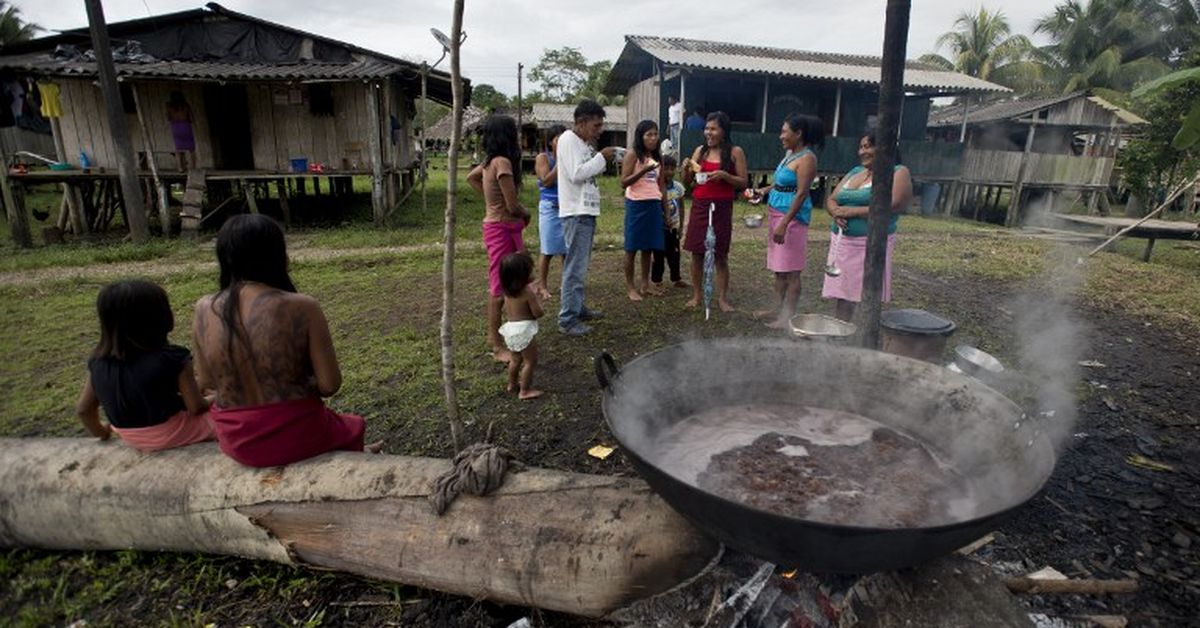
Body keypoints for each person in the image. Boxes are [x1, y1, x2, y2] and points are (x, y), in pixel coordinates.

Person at [192, 214, 379, 467]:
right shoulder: (303, 306)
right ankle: (361, 456)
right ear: (278, 254)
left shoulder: (204, 308)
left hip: (236, 440)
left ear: (224, 257)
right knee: (346, 426)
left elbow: (205, 383)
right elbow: (329, 384)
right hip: (297, 435)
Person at [75, 280, 214, 452]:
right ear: (161, 317)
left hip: (131, 438)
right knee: (228, 412)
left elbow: (83, 410)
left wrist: (102, 432)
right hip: (171, 432)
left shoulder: (98, 362)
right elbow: (196, 407)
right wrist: (217, 397)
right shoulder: (173, 357)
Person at [822, 131, 914, 322]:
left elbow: (895, 204)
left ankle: (865, 337)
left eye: (868, 146)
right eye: (861, 147)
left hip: (870, 244)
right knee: (843, 294)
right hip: (843, 242)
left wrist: (852, 212)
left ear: (884, 148)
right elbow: (832, 199)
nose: (862, 151)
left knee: (867, 294)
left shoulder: (898, 171)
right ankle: (841, 333)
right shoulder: (855, 172)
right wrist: (835, 212)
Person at [748, 114, 824, 329]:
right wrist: (762, 191)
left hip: (792, 220)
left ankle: (787, 317)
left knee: (792, 271)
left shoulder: (807, 158)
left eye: (784, 131)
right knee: (780, 269)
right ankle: (776, 308)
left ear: (798, 133)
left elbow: (801, 194)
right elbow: (782, 184)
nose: (781, 136)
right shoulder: (790, 154)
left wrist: (784, 223)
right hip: (777, 213)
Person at [468, 115, 531, 363]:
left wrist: (489, 201)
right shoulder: (502, 162)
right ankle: (495, 343)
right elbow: (513, 206)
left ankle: (515, 327)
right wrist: (526, 214)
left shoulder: (488, 162)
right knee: (498, 287)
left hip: (501, 226)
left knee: (513, 279)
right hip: (502, 228)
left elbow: (471, 178)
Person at [556, 100, 618, 336]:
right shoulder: (568, 140)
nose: (599, 131)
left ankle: (576, 307)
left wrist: (599, 158)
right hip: (575, 212)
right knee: (575, 266)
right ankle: (567, 319)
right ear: (581, 123)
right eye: (596, 126)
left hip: (584, 210)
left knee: (579, 265)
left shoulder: (581, 142)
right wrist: (601, 157)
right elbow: (577, 173)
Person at [682, 111, 748, 313]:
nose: (708, 132)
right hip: (700, 204)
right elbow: (688, 183)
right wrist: (685, 170)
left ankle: (722, 298)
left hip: (721, 206)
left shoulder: (735, 152)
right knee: (697, 252)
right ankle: (697, 295)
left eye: (713, 128)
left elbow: (744, 182)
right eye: (706, 128)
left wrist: (725, 176)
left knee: (720, 253)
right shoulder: (700, 151)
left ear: (723, 131)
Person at [621, 119, 666, 301]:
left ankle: (645, 285)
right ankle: (630, 287)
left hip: (654, 204)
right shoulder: (633, 155)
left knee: (649, 247)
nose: (653, 138)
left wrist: (667, 212)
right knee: (631, 248)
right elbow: (624, 182)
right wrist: (644, 170)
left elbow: (661, 185)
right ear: (641, 137)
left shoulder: (658, 158)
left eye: (655, 134)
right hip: (636, 205)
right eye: (649, 134)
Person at [498, 252, 545, 400]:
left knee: (515, 360)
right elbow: (538, 313)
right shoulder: (527, 293)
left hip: (510, 330)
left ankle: (512, 385)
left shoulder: (507, 293)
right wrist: (538, 298)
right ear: (523, 275)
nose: (534, 272)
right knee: (530, 361)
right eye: (531, 270)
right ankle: (524, 390)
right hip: (524, 331)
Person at [534, 125, 568, 301]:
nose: (562, 143)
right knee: (547, 250)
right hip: (550, 207)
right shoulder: (543, 158)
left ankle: (566, 284)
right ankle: (542, 285)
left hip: (567, 208)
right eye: (558, 139)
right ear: (550, 141)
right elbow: (546, 181)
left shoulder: (568, 158)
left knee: (565, 250)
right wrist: (561, 163)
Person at [651, 154, 689, 290]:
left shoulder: (678, 187)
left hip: (674, 227)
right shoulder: (655, 187)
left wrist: (681, 226)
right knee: (658, 255)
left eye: (672, 169)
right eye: (666, 168)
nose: (669, 172)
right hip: (659, 228)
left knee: (675, 255)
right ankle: (656, 280)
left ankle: (676, 278)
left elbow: (682, 207)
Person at [166, 91, 195, 172]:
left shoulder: (169, 106)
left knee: (178, 149)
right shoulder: (185, 105)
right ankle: (193, 167)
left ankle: (180, 168)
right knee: (191, 149)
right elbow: (191, 118)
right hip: (185, 126)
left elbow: (168, 117)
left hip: (175, 127)